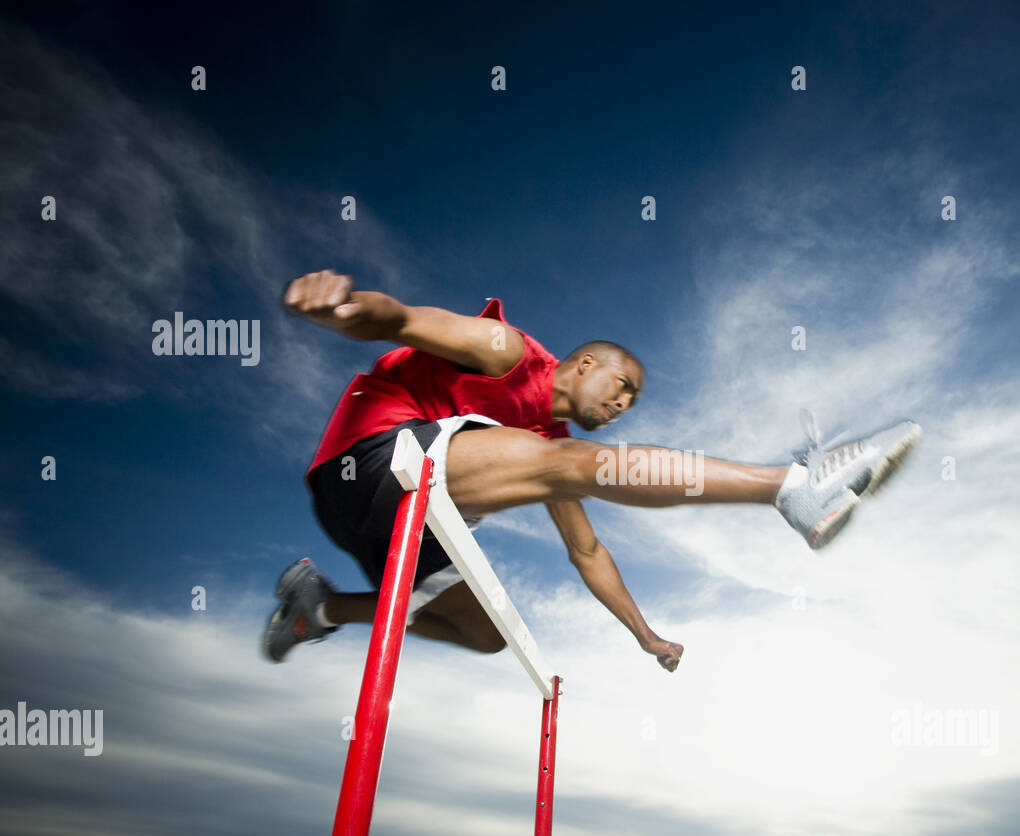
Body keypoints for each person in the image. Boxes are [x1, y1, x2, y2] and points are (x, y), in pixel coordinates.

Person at [263, 270, 921, 673]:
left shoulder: (548, 449)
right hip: (365, 463)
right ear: (583, 365)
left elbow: (588, 551)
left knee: (486, 635)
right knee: (570, 466)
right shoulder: (508, 352)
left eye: (632, 402)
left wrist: (647, 637)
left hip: (392, 520)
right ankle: (792, 488)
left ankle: (318, 609)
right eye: (621, 386)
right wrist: (343, 307)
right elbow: (403, 318)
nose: (621, 405)